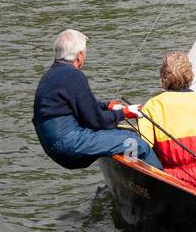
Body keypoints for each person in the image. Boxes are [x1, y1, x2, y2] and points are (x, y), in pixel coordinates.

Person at [33, 28, 161, 171]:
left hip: (52, 144)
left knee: (128, 134)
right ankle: (164, 183)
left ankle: (134, 179)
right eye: (85, 52)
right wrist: (123, 113)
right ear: (79, 55)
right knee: (136, 143)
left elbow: (83, 107)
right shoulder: (74, 76)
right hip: (68, 143)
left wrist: (107, 106)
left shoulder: (49, 76)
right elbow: (96, 121)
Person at [134, 51, 196, 202]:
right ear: (189, 75)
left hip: (176, 180)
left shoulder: (153, 106)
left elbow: (144, 147)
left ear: (163, 77)